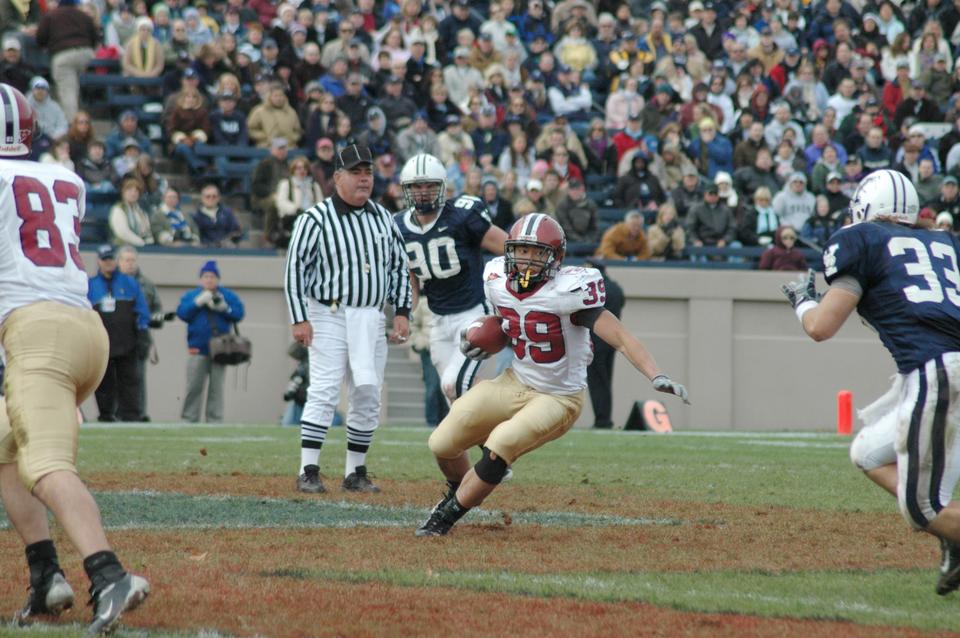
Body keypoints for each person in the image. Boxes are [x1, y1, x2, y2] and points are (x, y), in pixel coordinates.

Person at [415, 214, 689, 536]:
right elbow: (506, 325)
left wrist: (655, 374)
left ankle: (444, 518)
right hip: (515, 381)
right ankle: (458, 490)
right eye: (521, 250)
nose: (526, 260)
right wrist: (483, 338)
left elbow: (621, 337)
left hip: (559, 396)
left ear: (555, 257)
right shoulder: (495, 279)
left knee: (502, 442)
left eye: (536, 252)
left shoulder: (570, 291)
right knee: (442, 442)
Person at [0, 83, 149, 634]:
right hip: (88, 330)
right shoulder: (65, 178)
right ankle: (46, 578)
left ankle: (110, 575)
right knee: (5, 446)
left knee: (43, 465)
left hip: (39, 332)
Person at [780, 168, 960, 596]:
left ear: (865, 208)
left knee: (921, 508)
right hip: (944, 371)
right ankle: (953, 536)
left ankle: (948, 527)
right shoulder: (944, 242)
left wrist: (802, 301)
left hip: (938, 372)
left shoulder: (862, 240)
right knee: (867, 451)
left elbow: (821, 327)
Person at [285, 144, 413, 494]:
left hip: (371, 317)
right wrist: (300, 318)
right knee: (325, 389)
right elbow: (295, 270)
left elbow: (399, 266)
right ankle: (308, 469)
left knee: (368, 393)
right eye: (356, 172)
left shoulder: (384, 217)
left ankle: (355, 472)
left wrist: (401, 311)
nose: (364, 179)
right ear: (337, 176)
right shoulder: (315, 218)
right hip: (328, 313)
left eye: (368, 172)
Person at [395, 153, 508, 404]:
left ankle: (508, 402)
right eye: (416, 186)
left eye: (430, 185)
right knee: (455, 399)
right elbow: (411, 276)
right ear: (406, 190)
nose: (423, 192)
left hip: (473, 313)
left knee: (452, 383)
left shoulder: (462, 214)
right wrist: (405, 314)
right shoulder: (398, 226)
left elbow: (510, 250)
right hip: (437, 318)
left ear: (443, 187)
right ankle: (484, 442)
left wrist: (515, 292)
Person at [175, 260, 245, 423]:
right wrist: (197, 303)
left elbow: (239, 313)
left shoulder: (227, 295)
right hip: (198, 348)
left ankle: (214, 420)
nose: (209, 280)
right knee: (194, 386)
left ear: (218, 279)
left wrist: (224, 308)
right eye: (206, 276)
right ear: (200, 279)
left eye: (212, 276)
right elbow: (183, 313)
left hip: (220, 349)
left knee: (217, 388)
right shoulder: (192, 295)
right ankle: (189, 419)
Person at [87, 244, 150, 423]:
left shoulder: (130, 283)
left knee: (130, 380)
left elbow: (141, 309)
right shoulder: (91, 285)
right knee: (104, 382)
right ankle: (106, 414)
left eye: (111, 259)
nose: (108, 263)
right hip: (102, 343)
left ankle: (131, 415)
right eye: (105, 259)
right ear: (99, 261)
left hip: (127, 342)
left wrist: (143, 333)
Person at [117, 246, 166, 422]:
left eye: (133, 260)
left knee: (137, 377)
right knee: (115, 378)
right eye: (126, 260)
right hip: (116, 337)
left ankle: (138, 413)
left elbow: (157, 309)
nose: (130, 264)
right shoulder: (111, 282)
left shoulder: (146, 284)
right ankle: (115, 414)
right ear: (119, 262)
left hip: (139, 338)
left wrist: (155, 318)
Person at [583, 261, 625, 428]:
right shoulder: (616, 288)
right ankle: (605, 417)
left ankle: (602, 420)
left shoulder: (595, 290)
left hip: (596, 340)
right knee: (606, 381)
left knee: (597, 381)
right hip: (612, 341)